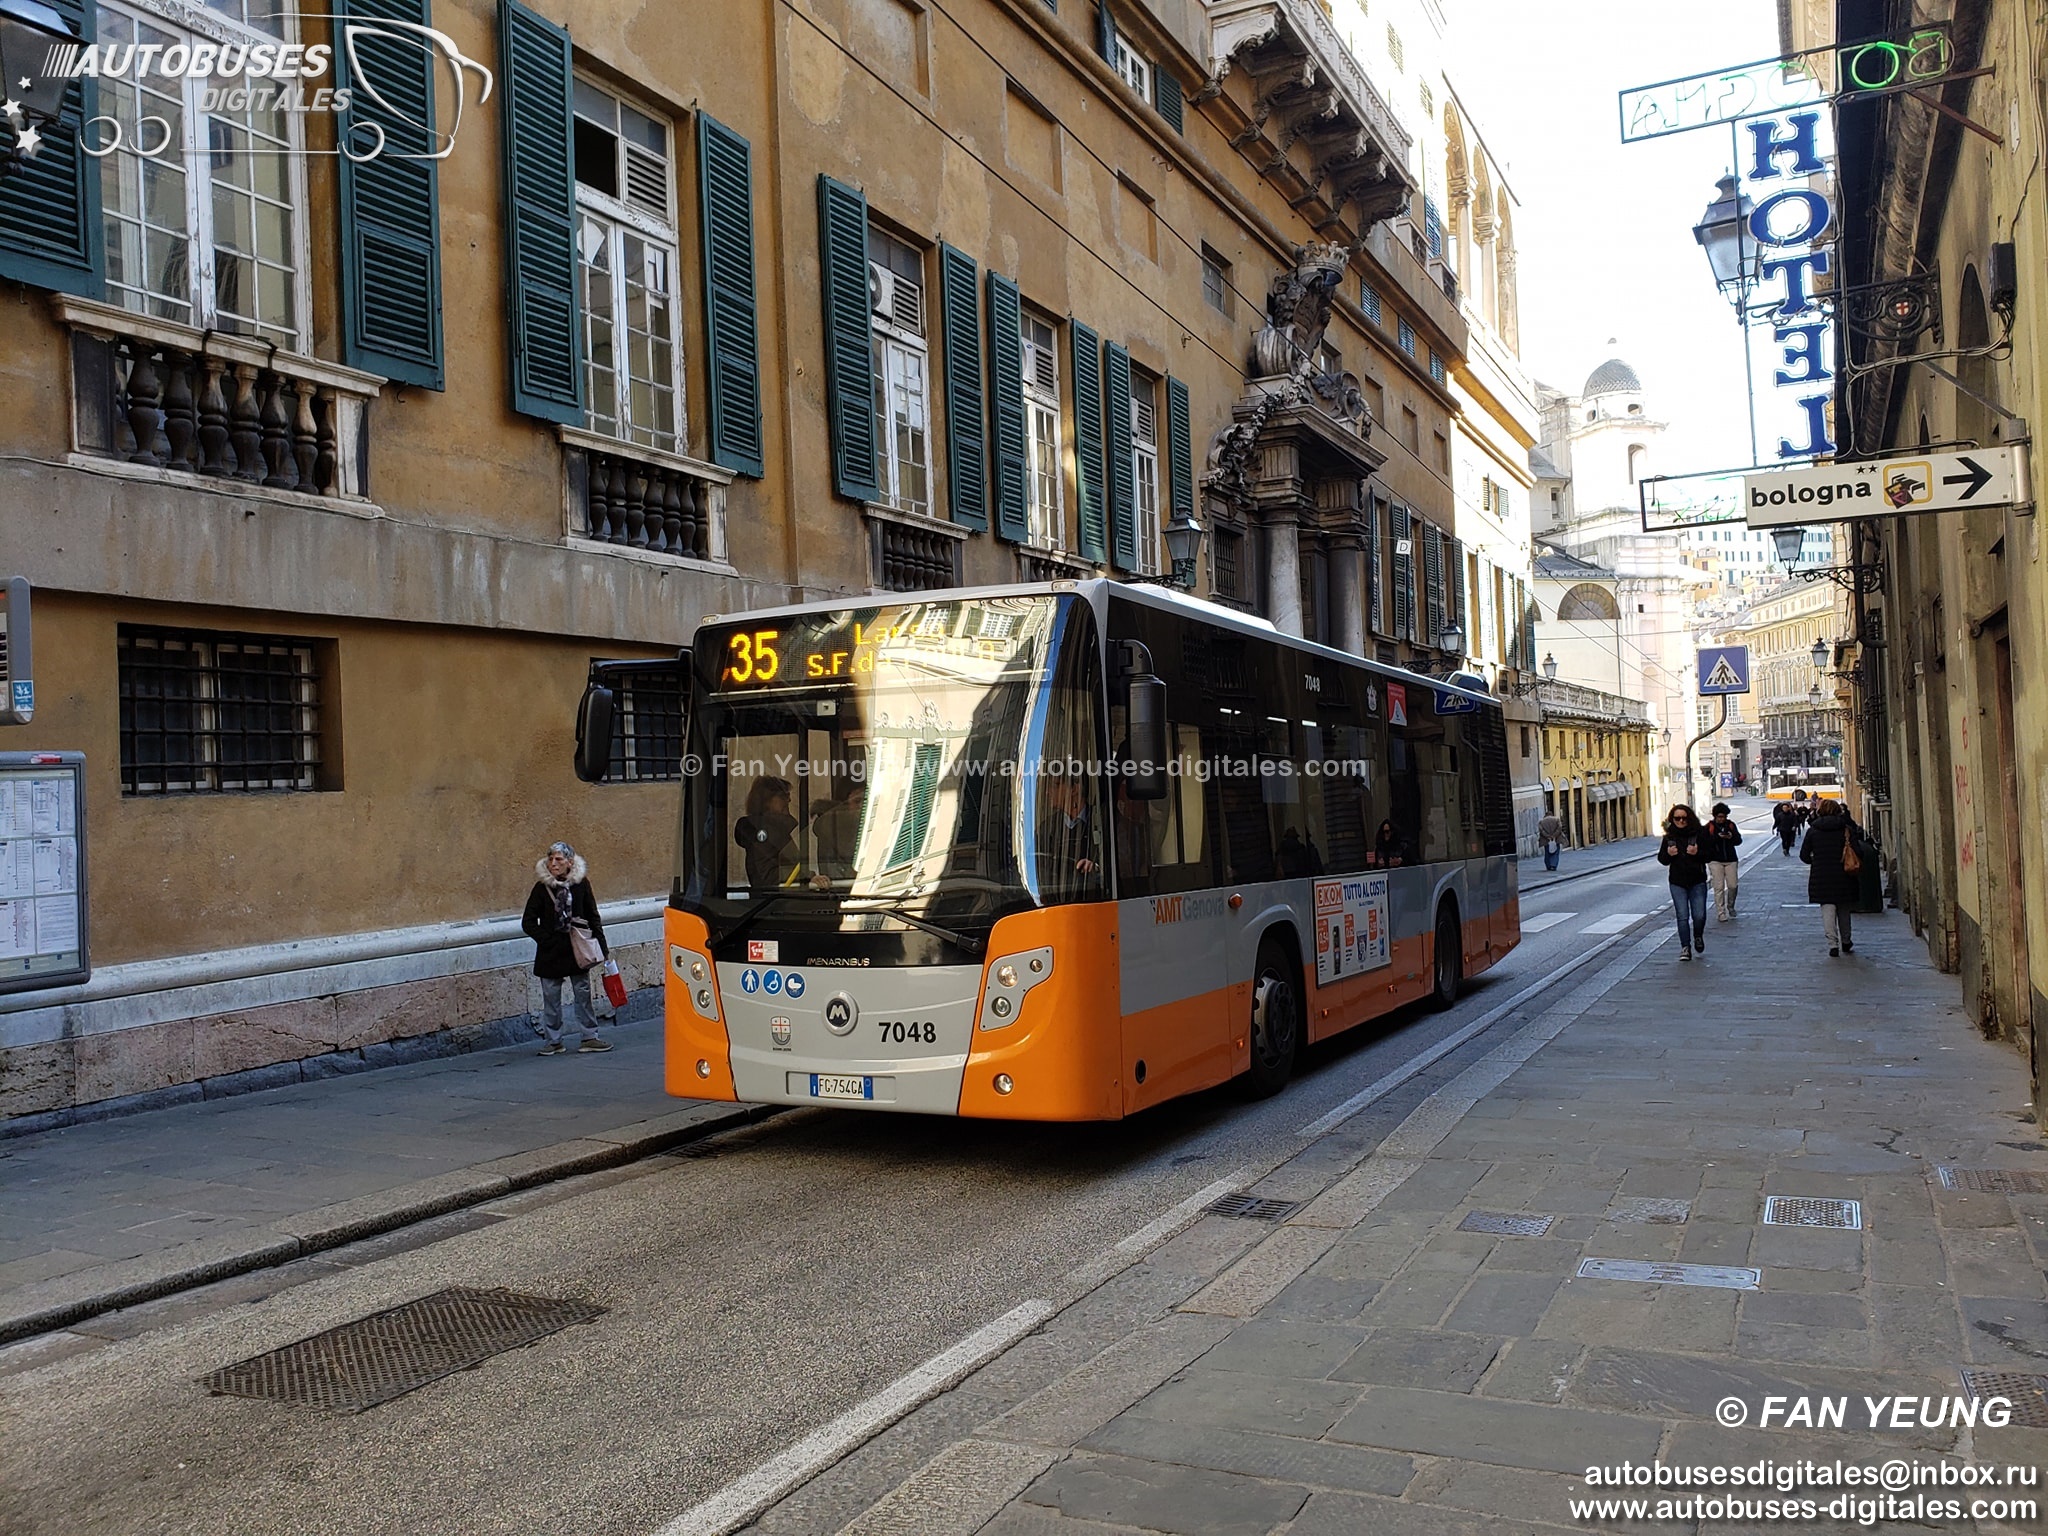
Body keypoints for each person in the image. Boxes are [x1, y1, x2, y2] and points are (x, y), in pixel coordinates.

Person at [521, 841, 613, 1055]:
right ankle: (553, 1041)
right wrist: (546, 940)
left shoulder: (581, 885)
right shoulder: (541, 888)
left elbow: (593, 916)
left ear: (570, 862)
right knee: (551, 998)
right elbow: (528, 921)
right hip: (550, 952)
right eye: (550, 859)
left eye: (559, 859)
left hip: (576, 949)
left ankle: (590, 1037)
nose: (553, 863)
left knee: (583, 994)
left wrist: (602, 947)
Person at [1801, 797, 1866, 956]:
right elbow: (1858, 852)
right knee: (1844, 909)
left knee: (1827, 910)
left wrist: (1816, 861)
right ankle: (1846, 941)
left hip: (1821, 876)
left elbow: (1804, 856)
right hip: (1844, 875)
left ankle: (1832, 944)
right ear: (1838, 811)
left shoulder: (1813, 831)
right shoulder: (1846, 830)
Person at [1657, 805, 1710, 961]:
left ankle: (1698, 935)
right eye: (1677, 818)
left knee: (1699, 915)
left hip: (1697, 881)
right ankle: (1685, 947)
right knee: (1682, 916)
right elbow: (1662, 860)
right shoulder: (1669, 838)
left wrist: (1697, 853)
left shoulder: (1699, 834)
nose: (1681, 821)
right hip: (1677, 882)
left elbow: (1709, 855)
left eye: (1684, 818)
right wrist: (1668, 854)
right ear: (1672, 820)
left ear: (1689, 818)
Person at [734, 776, 800, 889]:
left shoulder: (777, 829)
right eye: (783, 796)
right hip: (775, 897)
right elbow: (767, 876)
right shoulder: (765, 831)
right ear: (766, 801)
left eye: (788, 795)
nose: (789, 800)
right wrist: (806, 877)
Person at [1036, 774, 1102, 884]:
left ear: (1075, 789)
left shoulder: (1101, 822)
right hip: (1055, 891)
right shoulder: (1047, 827)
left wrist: (1095, 867)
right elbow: (1031, 858)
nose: (1047, 792)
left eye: (1055, 785)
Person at [808, 780, 866, 888]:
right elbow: (836, 872)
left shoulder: (866, 825)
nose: (862, 806)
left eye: (866, 800)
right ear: (843, 805)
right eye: (857, 801)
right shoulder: (832, 828)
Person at [1703, 801, 1744, 921]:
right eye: (1720, 817)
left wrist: (1731, 837)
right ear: (1715, 816)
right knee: (1718, 887)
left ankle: (1730, 905)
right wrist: (1717, 837)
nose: (1722, 819)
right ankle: (1721, 912)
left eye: (1724, 816)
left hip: (1731, 859)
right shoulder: (1709, 827)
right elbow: (1704, 842)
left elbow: (1738, 840)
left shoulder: (1730, 825)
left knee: (1733, 885)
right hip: (1715, 860)